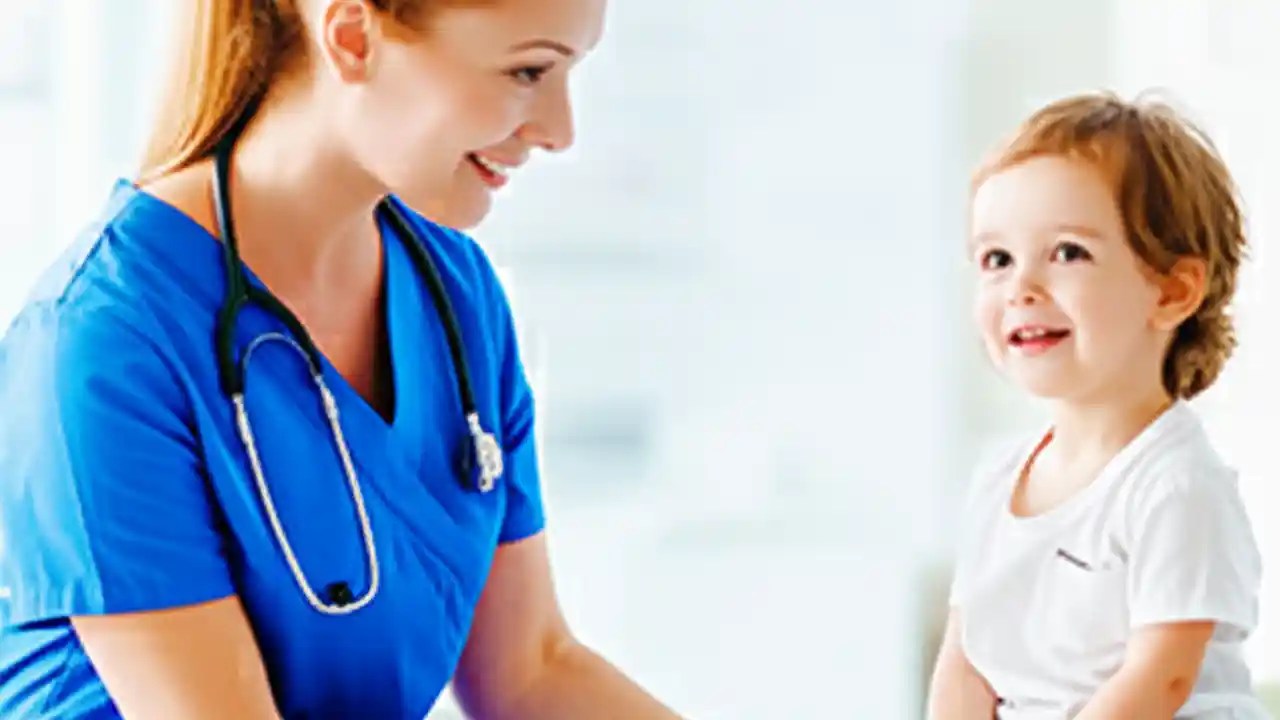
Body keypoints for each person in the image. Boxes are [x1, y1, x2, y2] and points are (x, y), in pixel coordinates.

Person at [0, 1, 681, 718]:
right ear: (353, 35)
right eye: (528, 70)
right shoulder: (101, 342)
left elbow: (532, 669)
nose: (559, 131)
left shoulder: (456, 295)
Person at [927, 92, 1268, 719]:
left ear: (1171, 290)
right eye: (996, 259)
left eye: (1067, 253)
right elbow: (963, 661)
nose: (1021, 289)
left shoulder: (1176, 487)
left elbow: (1160, 680)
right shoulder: (998, 479)